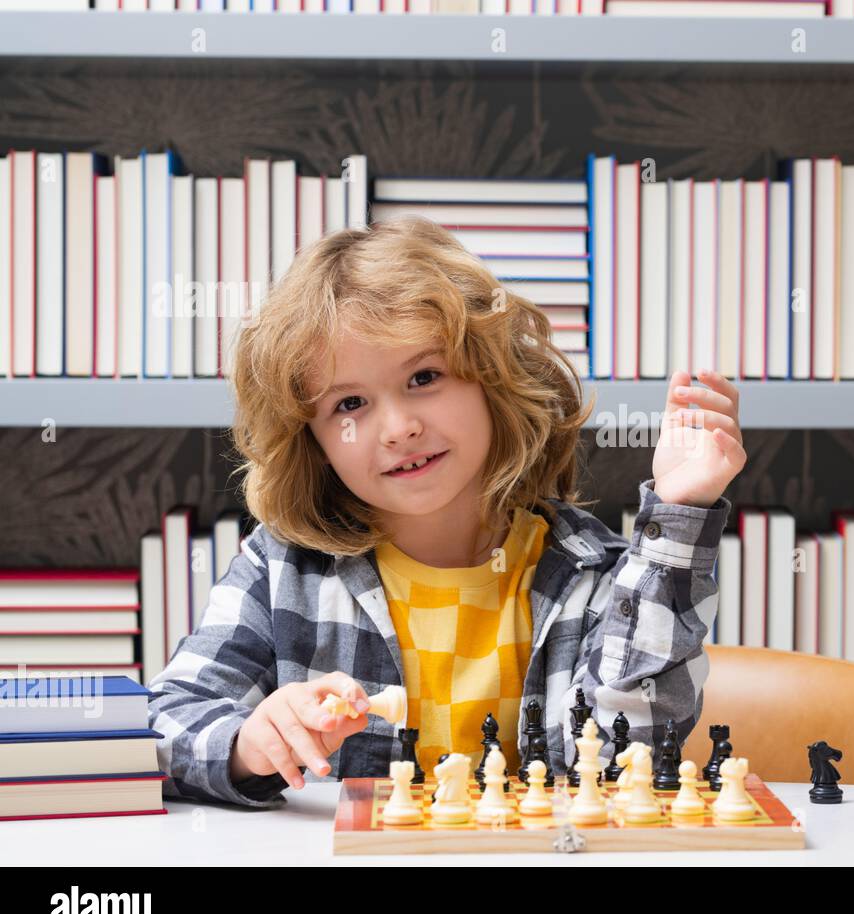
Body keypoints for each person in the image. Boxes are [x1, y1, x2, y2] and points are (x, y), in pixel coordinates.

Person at [147, 215, 744, 808]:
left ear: (494, 381)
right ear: (313, 443)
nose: (400, 428)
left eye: (424, 376)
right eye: (349, 403)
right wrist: (250, 744)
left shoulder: (592, 574)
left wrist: (678, 512)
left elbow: (619, 763)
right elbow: (161, 728)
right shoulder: (280, 572)